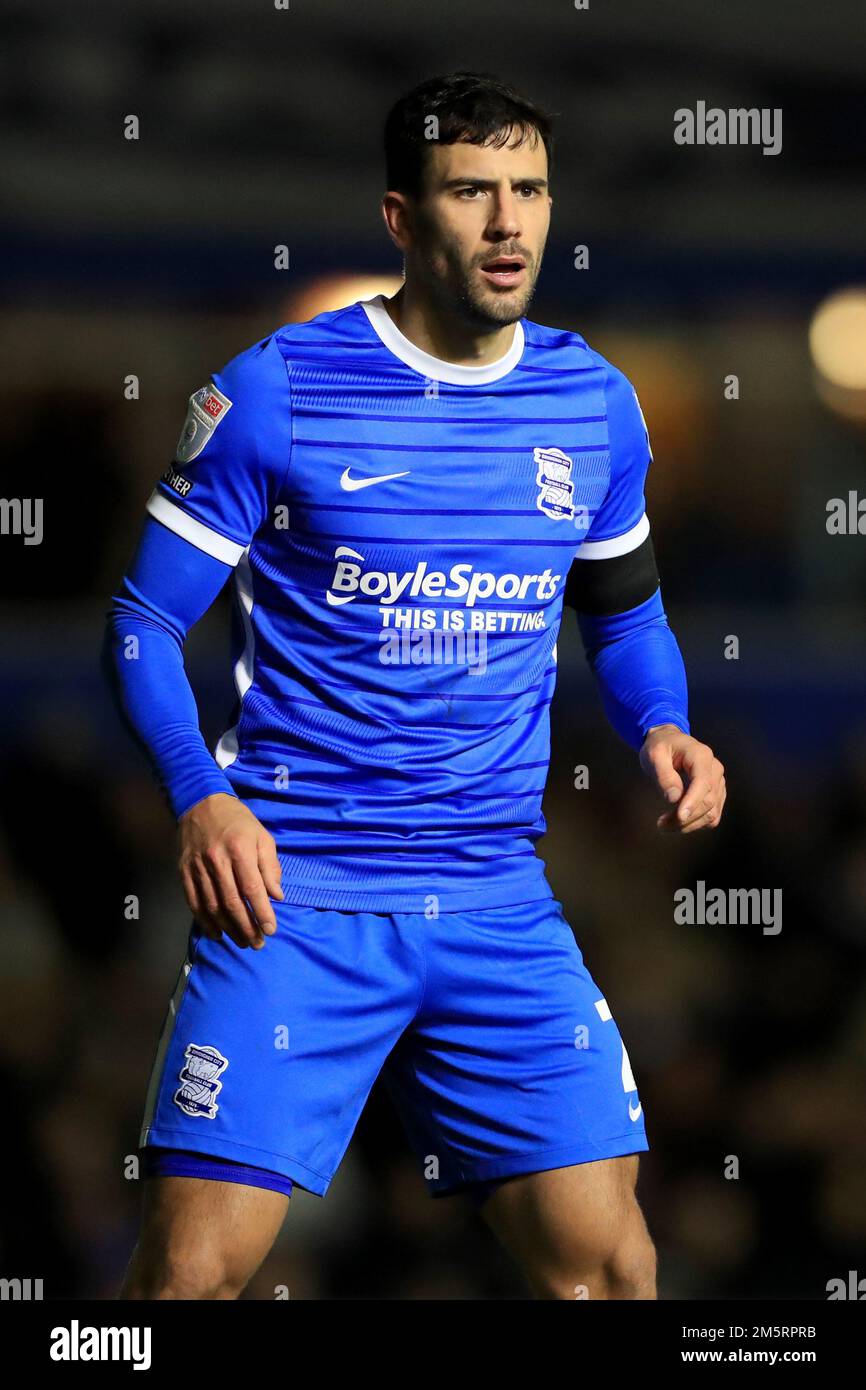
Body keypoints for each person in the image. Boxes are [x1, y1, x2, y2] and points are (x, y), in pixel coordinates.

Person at [105, 70, 726, 1301]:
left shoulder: (591, 402)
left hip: (495, 900)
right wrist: (197, 794)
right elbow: (141, 622)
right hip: (293, 900)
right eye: (471, 191)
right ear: (401, 217)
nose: (508, 222)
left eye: (529, 189)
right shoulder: (278, 389)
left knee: (611, 1273)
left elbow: (627, 607)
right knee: (189, 1284)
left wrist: (662, 722)